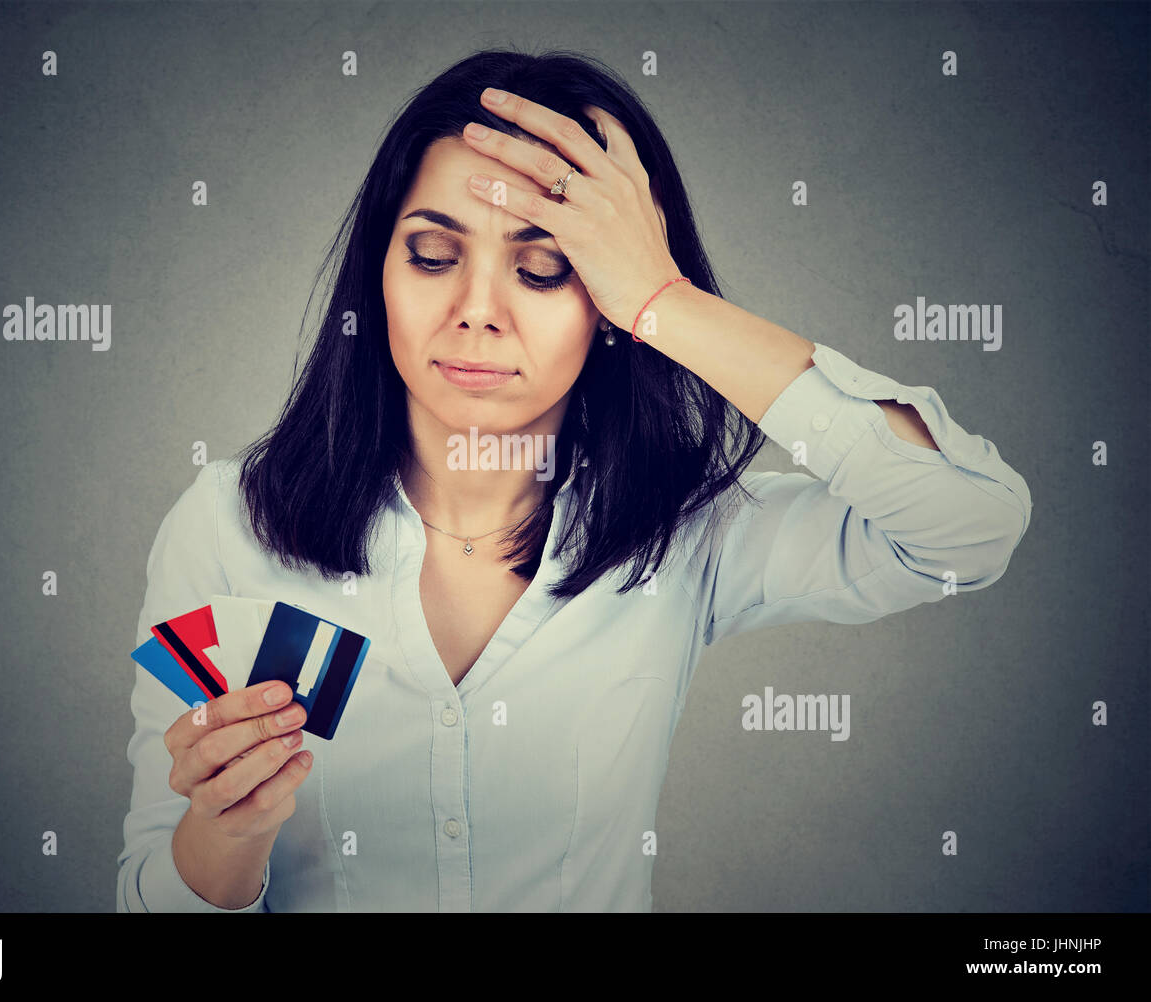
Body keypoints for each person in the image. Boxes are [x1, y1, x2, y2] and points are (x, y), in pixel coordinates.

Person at [117, 49, 1031, 912]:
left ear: (606, 307)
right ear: (379, 277)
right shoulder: (227, 525)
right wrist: (227, 830)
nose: (477, 314)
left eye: (546, 267)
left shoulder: (686, 536)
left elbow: (971, 526)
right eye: (433, 256)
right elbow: (146, 899)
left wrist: (665, 302)